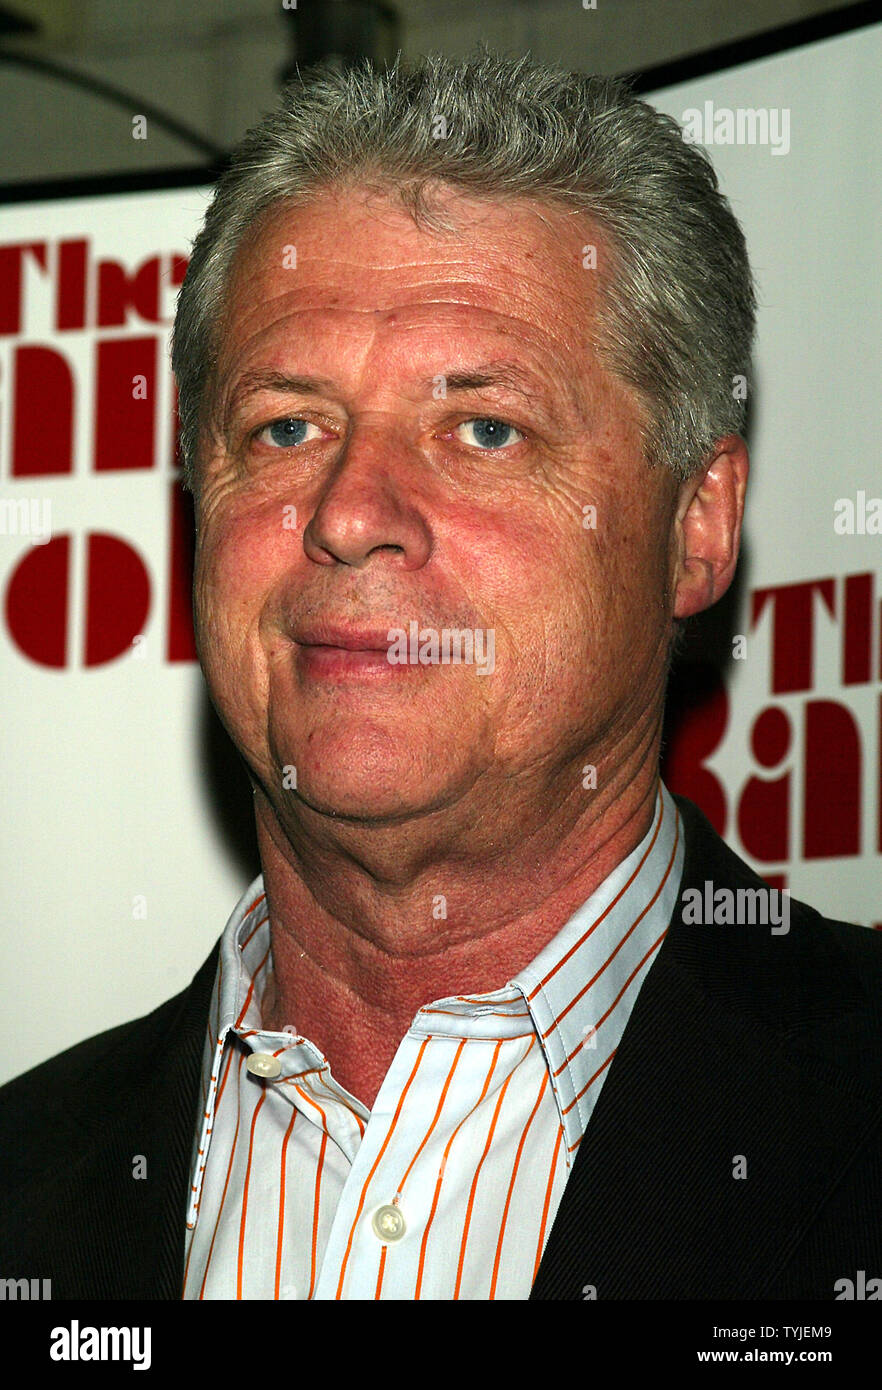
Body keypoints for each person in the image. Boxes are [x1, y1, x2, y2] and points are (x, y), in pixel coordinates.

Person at [2, 49, 881, 1302]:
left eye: (483, 428)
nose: (350, 513)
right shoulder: (26, 1180)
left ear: (696, 520)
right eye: (286, 426)